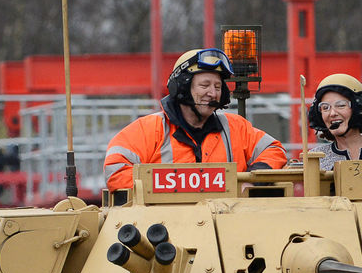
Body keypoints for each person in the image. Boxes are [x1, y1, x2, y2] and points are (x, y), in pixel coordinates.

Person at [103, 48, 288, 191]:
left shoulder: (236, 127)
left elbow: (274, 150)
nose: (213, 93)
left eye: (217, 86)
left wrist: (252, 181)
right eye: (204, 85)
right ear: (181, 88)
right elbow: (116, 168)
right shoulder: (149, 129)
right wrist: (157, 190)